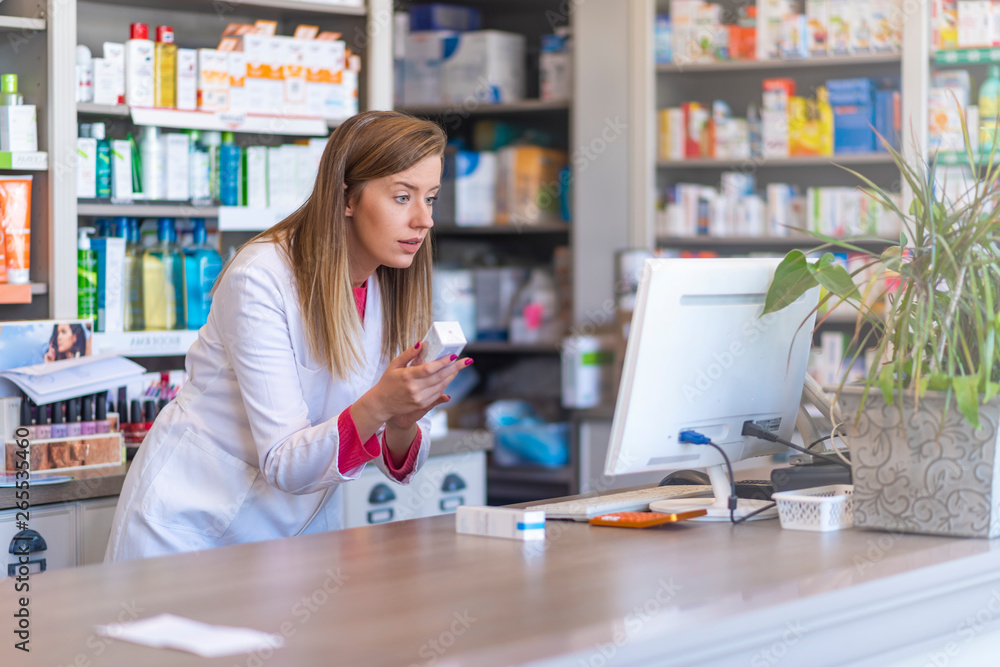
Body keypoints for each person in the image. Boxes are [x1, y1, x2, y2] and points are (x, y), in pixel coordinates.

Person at [105, 111, 471, 562]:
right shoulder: (262, 277)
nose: (424, 220)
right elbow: (283, 460)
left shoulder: (390, 282)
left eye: (430, 199)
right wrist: (380, 404)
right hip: (192, 531)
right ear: (347, 198)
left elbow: (397, 466)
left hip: (299, 531)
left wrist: (401, 417)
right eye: (401, 197)